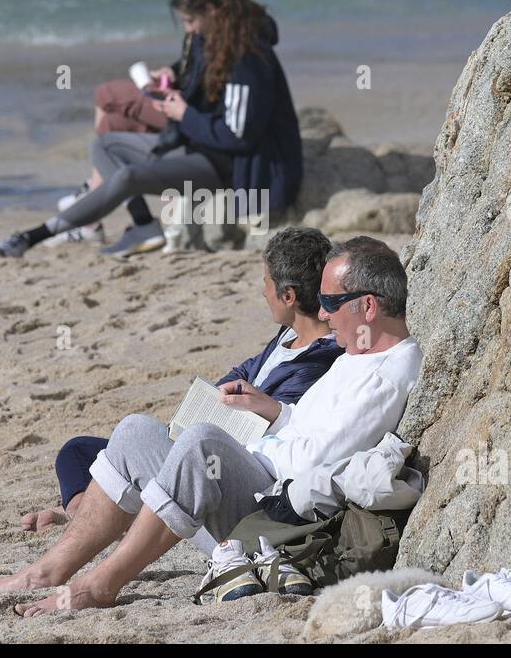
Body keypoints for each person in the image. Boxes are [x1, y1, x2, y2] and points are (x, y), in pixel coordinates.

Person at [0, 236, 423, 616]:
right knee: (136, 431)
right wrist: (276, 417)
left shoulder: (384, 375)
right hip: (261, 489)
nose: (324, 316)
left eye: (330, 303)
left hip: (280, 522)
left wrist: (253, 445)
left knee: (203, 444)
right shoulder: (357, 354)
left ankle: (98, 586)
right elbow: (305, 425)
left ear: (368, 305)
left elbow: (308, 465)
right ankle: (47, 571)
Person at [21, 227, 342, 533]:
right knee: (77, 452)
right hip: (204, 442)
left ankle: (102, 520)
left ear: (288, 296)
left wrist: (223, 405)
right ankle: (85, 516)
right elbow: (242, 372)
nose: (263, 291)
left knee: (123, 444)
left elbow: (258, 428)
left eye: (267, 284)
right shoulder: (289, 334)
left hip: (220, 468)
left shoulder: (317, 362)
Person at [0, 0, 302, 259]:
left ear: (211, 10)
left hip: (236, 166)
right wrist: (172, 81)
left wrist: (184, 114)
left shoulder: (246, 58)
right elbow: (201, 84)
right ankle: (143, 224)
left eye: (191, 20)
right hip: (200, 146)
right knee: (104, 144)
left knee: (128, 177)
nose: (189, 29)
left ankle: (32, 236)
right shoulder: (208, 41)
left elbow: (238, 136)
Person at [51, 0, 242, 246]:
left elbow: (217, 69)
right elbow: (200, 60)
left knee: (107, 95)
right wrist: (173, 72)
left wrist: (179, 88)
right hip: (190, 98)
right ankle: (113, 211)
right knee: (112, 119)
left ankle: (95, 203)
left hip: (197, 112)